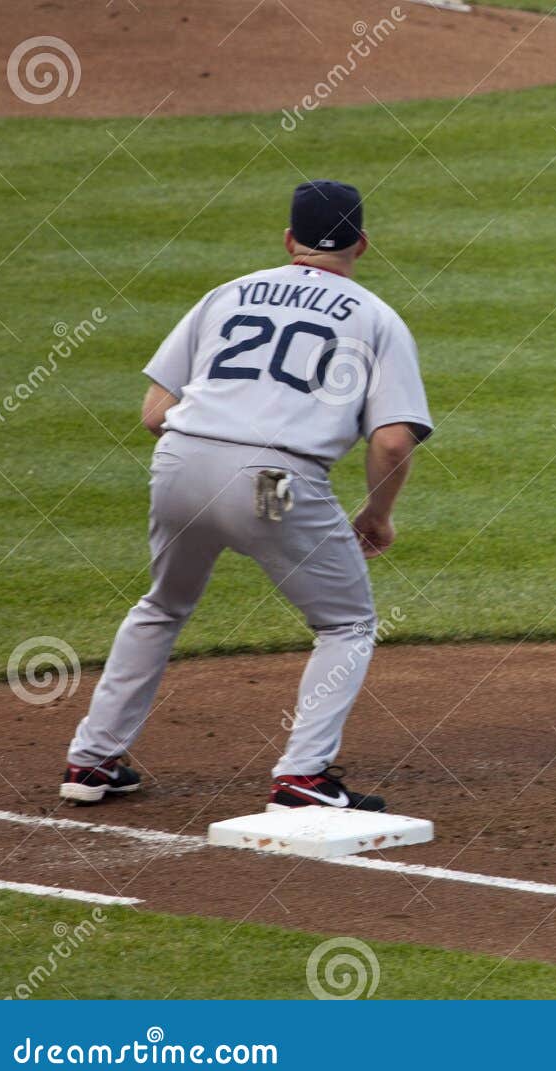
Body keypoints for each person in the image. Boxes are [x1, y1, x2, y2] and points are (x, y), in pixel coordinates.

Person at [61, 180, 432, 810]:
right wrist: (377, 514)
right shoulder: (375, 317)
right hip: (272, 481)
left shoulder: (226, 294)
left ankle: (90, 762)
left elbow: (155, 413)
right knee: (346, 622)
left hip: (179, 462)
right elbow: (393, 444)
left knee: (162, 605)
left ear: (289, 240)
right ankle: (303, 777)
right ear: (362, 245)